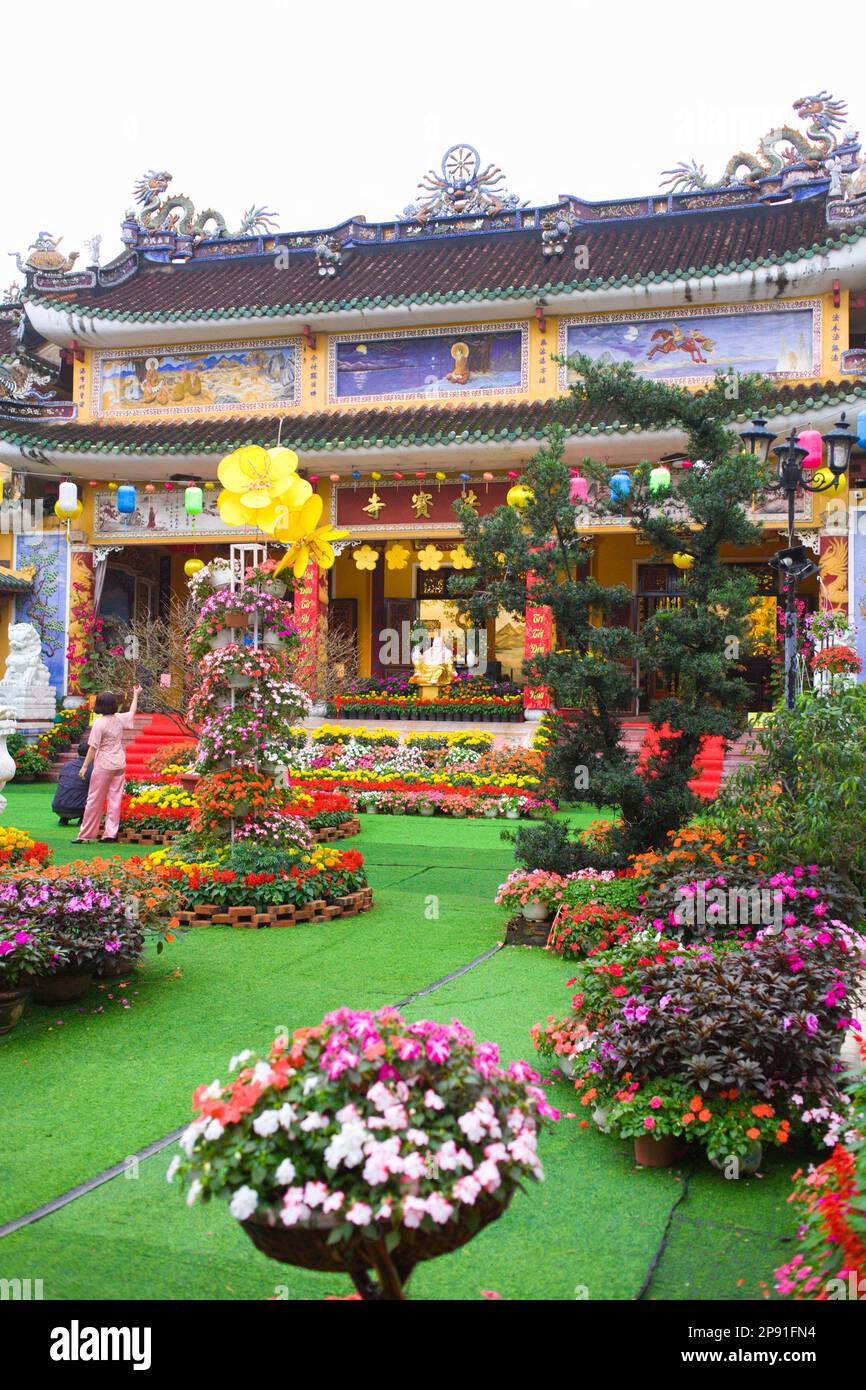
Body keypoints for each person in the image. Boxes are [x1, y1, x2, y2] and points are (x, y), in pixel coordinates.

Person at [75, 685, 141, 844]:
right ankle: (110, 833)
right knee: (115, 798)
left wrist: (84, 766)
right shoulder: (118, 718)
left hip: (104, 764)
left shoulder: (99, 723)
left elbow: (92, 747)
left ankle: (85, 835)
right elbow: (132, 713)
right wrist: (135, 694)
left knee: (94, 800)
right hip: (119, 763)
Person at [51, 740, 93, 826]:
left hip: (58, 807)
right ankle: (82, 819)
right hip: (78, 808)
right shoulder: (92, 767)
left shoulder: (67, 765)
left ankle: (64, 819)